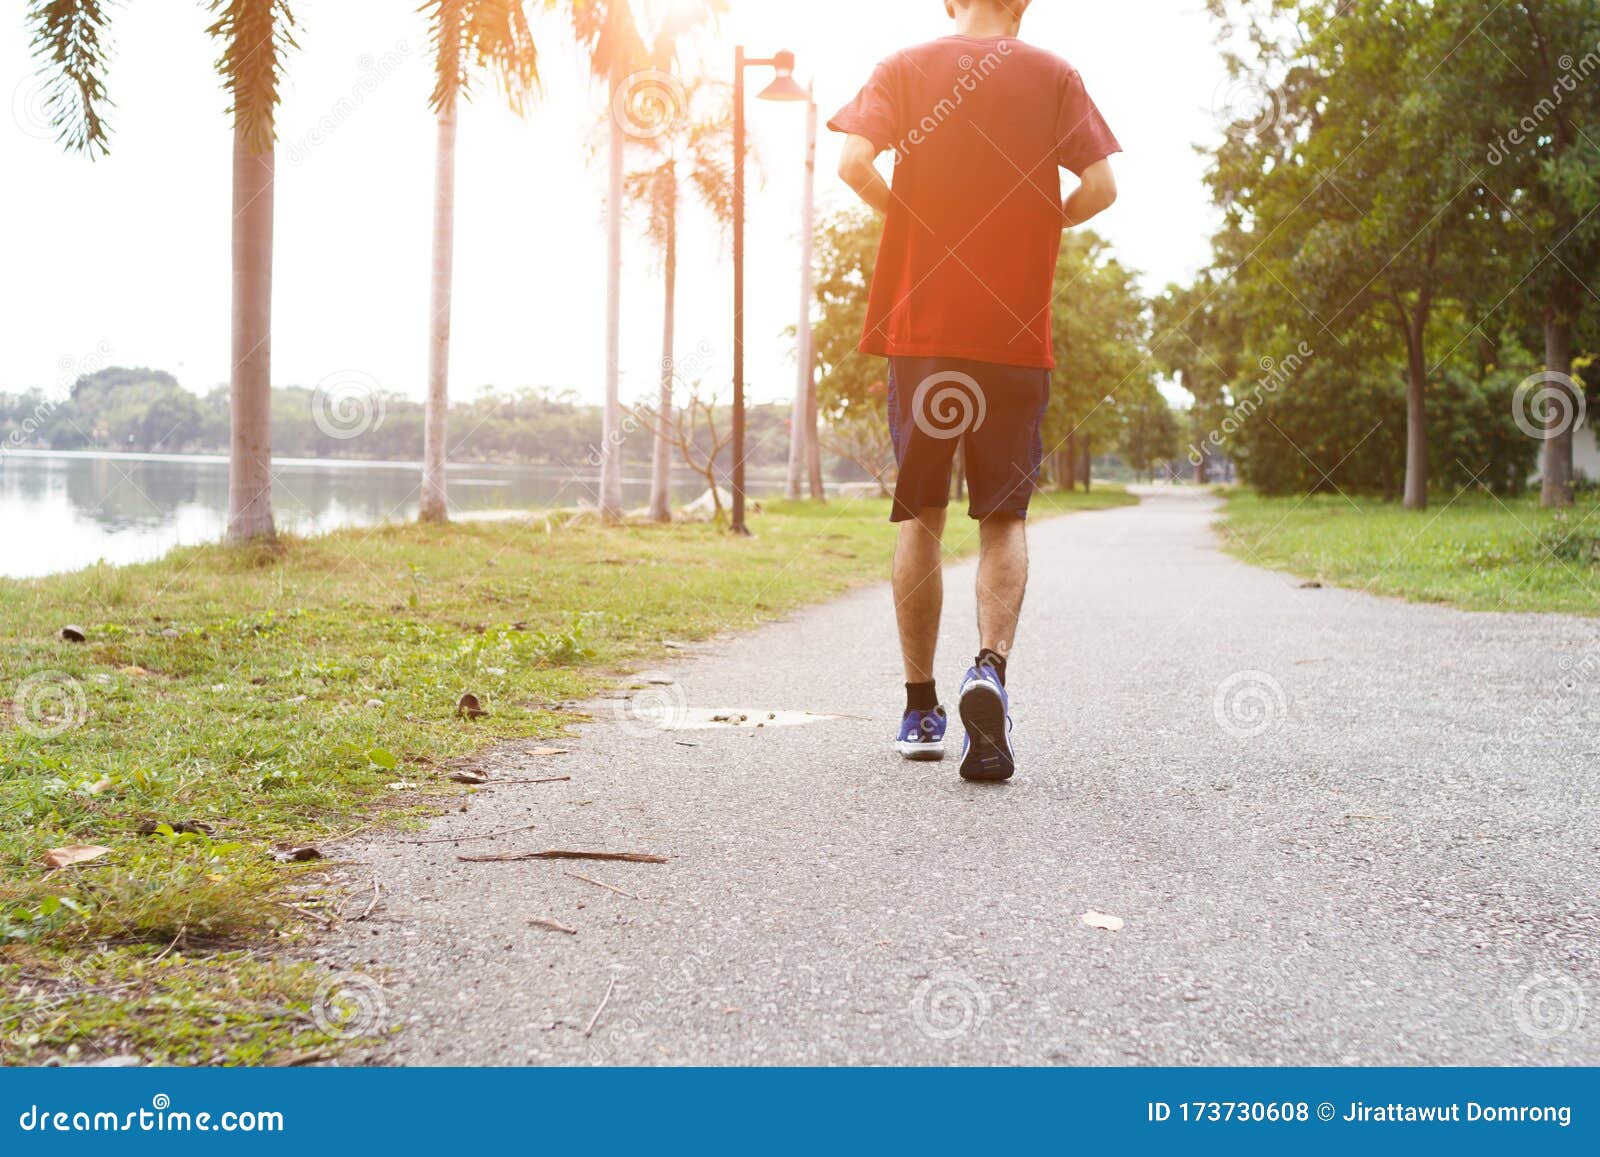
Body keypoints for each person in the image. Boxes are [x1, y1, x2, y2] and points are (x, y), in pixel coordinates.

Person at [828, 0, 1121, 781]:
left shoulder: (904, 67)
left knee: (920, 510)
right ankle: (987, 670)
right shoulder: (1055, 76)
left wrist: (914, 218)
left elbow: (853, 163)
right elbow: (1101, 185)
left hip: (925, 332)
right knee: (1004, 512)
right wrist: (1037, 223)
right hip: (1012, 333)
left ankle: (921, 707)